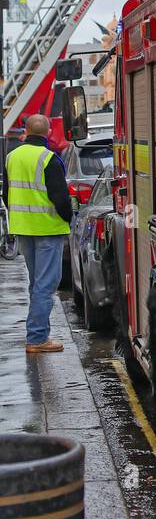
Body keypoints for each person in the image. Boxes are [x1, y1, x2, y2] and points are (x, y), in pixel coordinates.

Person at [4, 113, 73, 353]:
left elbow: (6, 193)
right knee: (45, 284)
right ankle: (37, 338)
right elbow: (61, 199)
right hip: (47, 229)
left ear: (26, 131)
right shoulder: (49, 159)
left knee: (37, 283)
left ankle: (37, 335)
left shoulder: (12, 157)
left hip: (23, 228)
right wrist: (69, 218)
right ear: (48, 132)